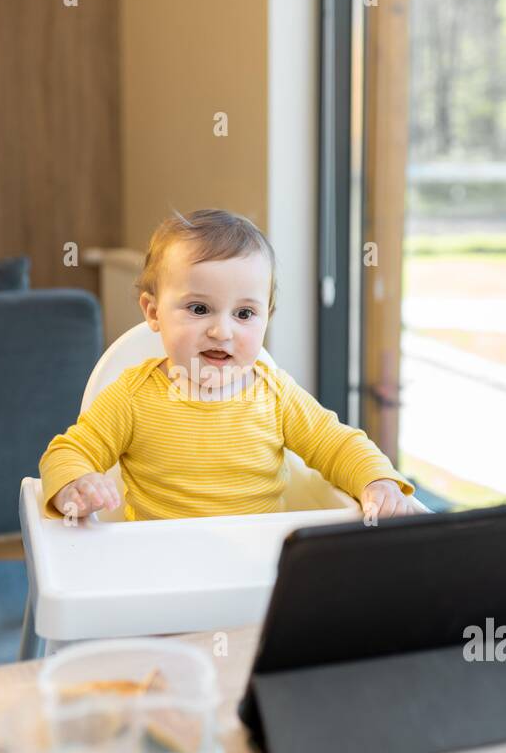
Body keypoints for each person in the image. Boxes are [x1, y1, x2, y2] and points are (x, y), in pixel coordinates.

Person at [40, 208, 426, 522]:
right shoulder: (131, 398)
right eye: (199, 308)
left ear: (266, 319)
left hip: (258, 577)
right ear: (153, 312)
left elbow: (338, 444)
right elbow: (66, 452)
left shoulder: (275, 394)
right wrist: (75, 484)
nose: (221, 330)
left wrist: (378, 481)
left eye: (244, 313)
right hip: (161, 573)